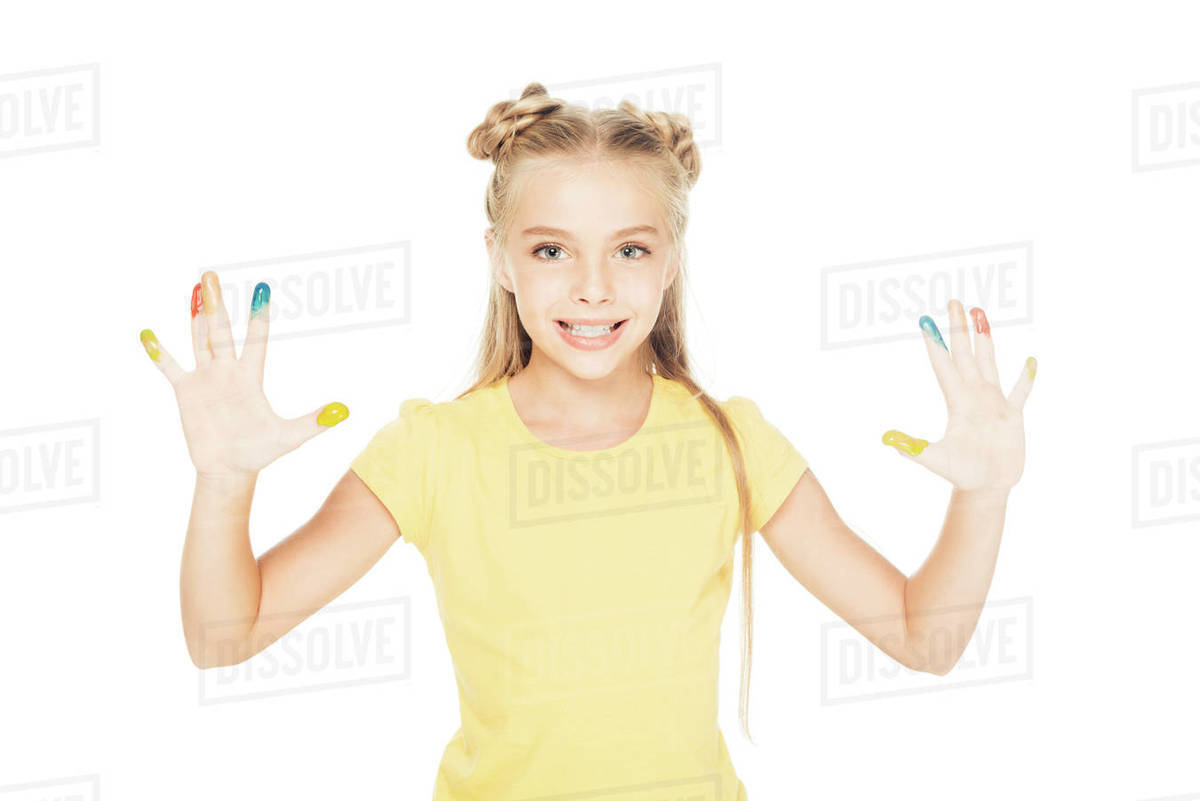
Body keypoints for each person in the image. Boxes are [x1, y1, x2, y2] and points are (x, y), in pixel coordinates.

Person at [139, 81, 1036, 800]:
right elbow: (226, 636)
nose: (595, 288)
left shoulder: (732, 442)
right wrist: (223, 481)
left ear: (671, 257)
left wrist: (984, 492)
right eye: (552, 251)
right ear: (500, 257)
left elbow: (926, 639)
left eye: (631, 251)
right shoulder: (434, 450)